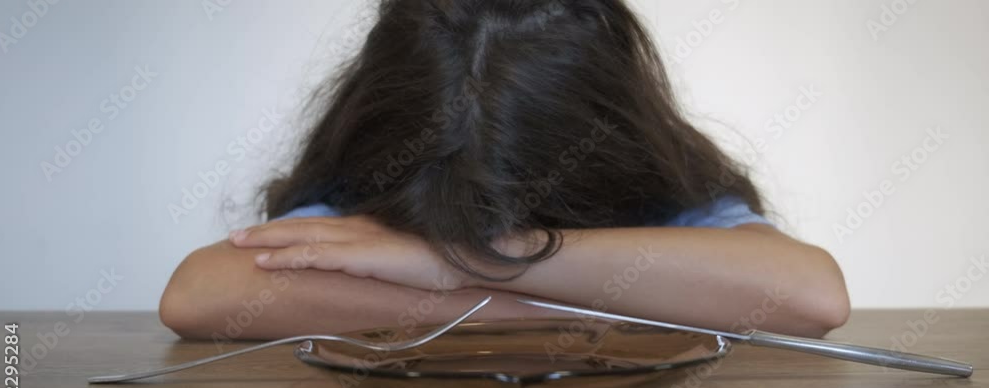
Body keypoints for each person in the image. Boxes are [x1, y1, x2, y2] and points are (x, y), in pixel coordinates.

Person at [160, 0, 849, 341]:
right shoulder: (367, 188)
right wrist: (522, 302)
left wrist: (463, 261)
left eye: (517, 221)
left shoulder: (661, 191)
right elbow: (197, 293)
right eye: (450, 227)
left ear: (611, 154)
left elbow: (814, 294)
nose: (490, 233)